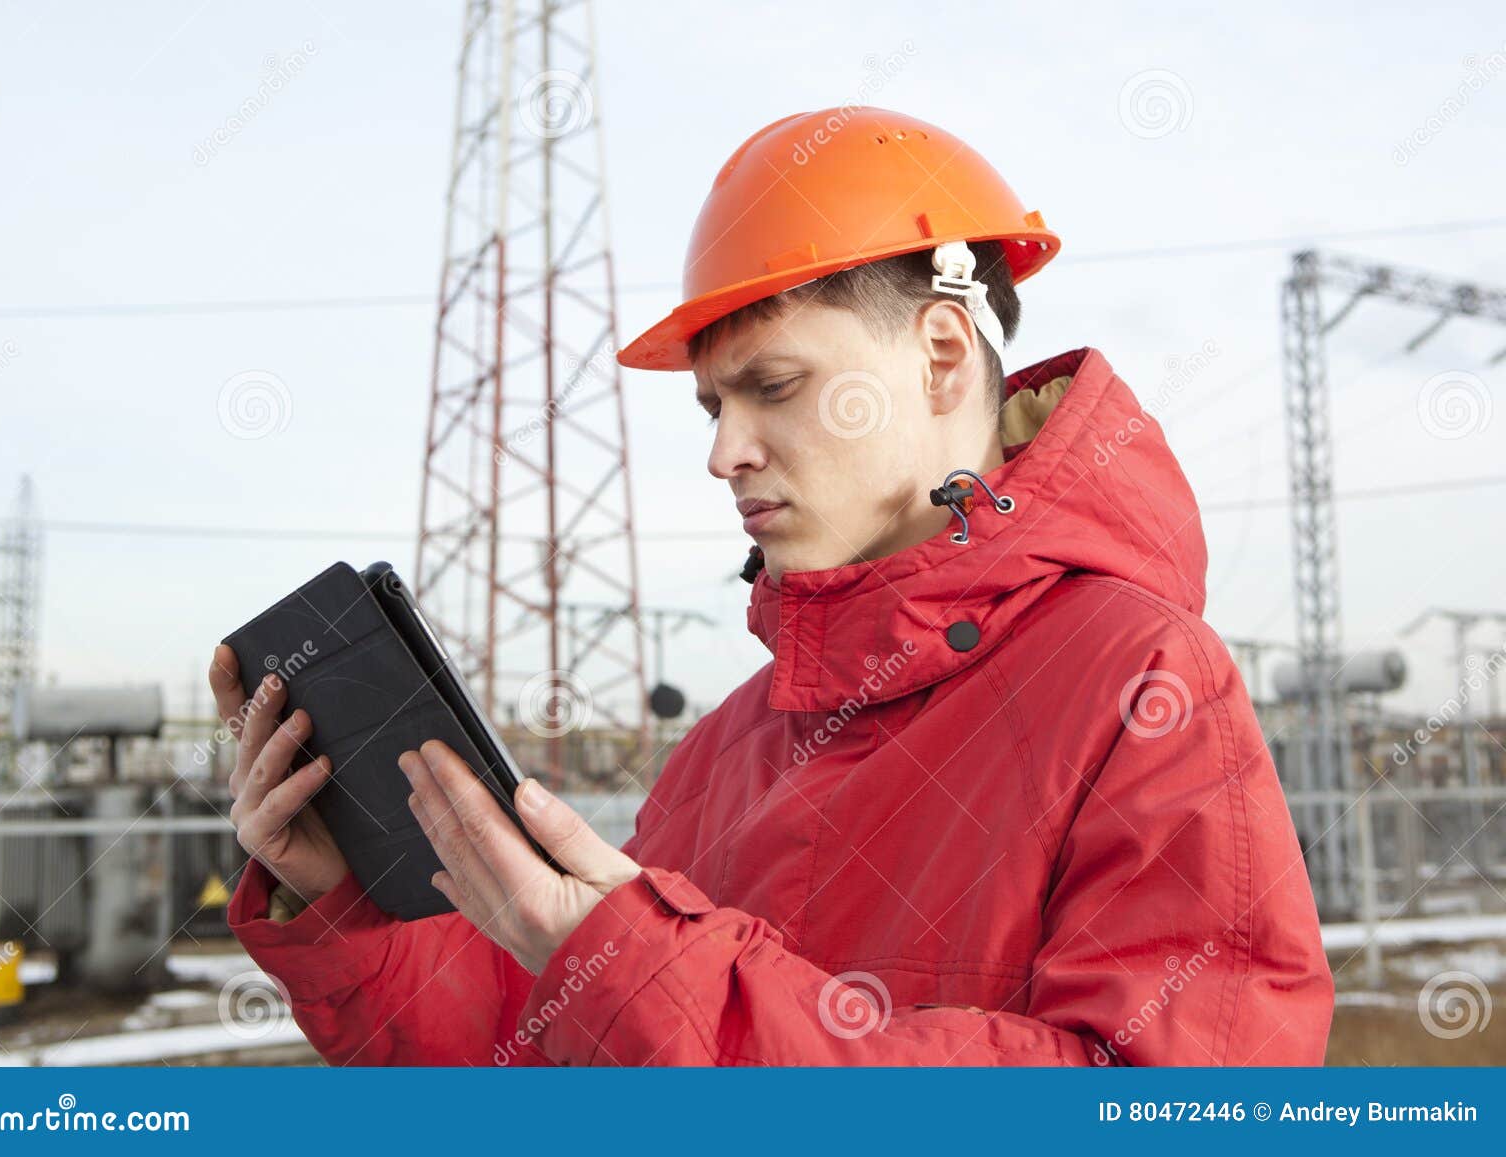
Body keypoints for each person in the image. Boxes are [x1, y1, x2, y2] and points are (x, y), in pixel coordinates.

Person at [216, 106, 1334, 1066]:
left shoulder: (1140, 682)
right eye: (714, 406)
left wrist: (649, 977)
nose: (724, 453)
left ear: (944, 355)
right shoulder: (724, 752)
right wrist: (348, 901)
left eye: (777, 387)